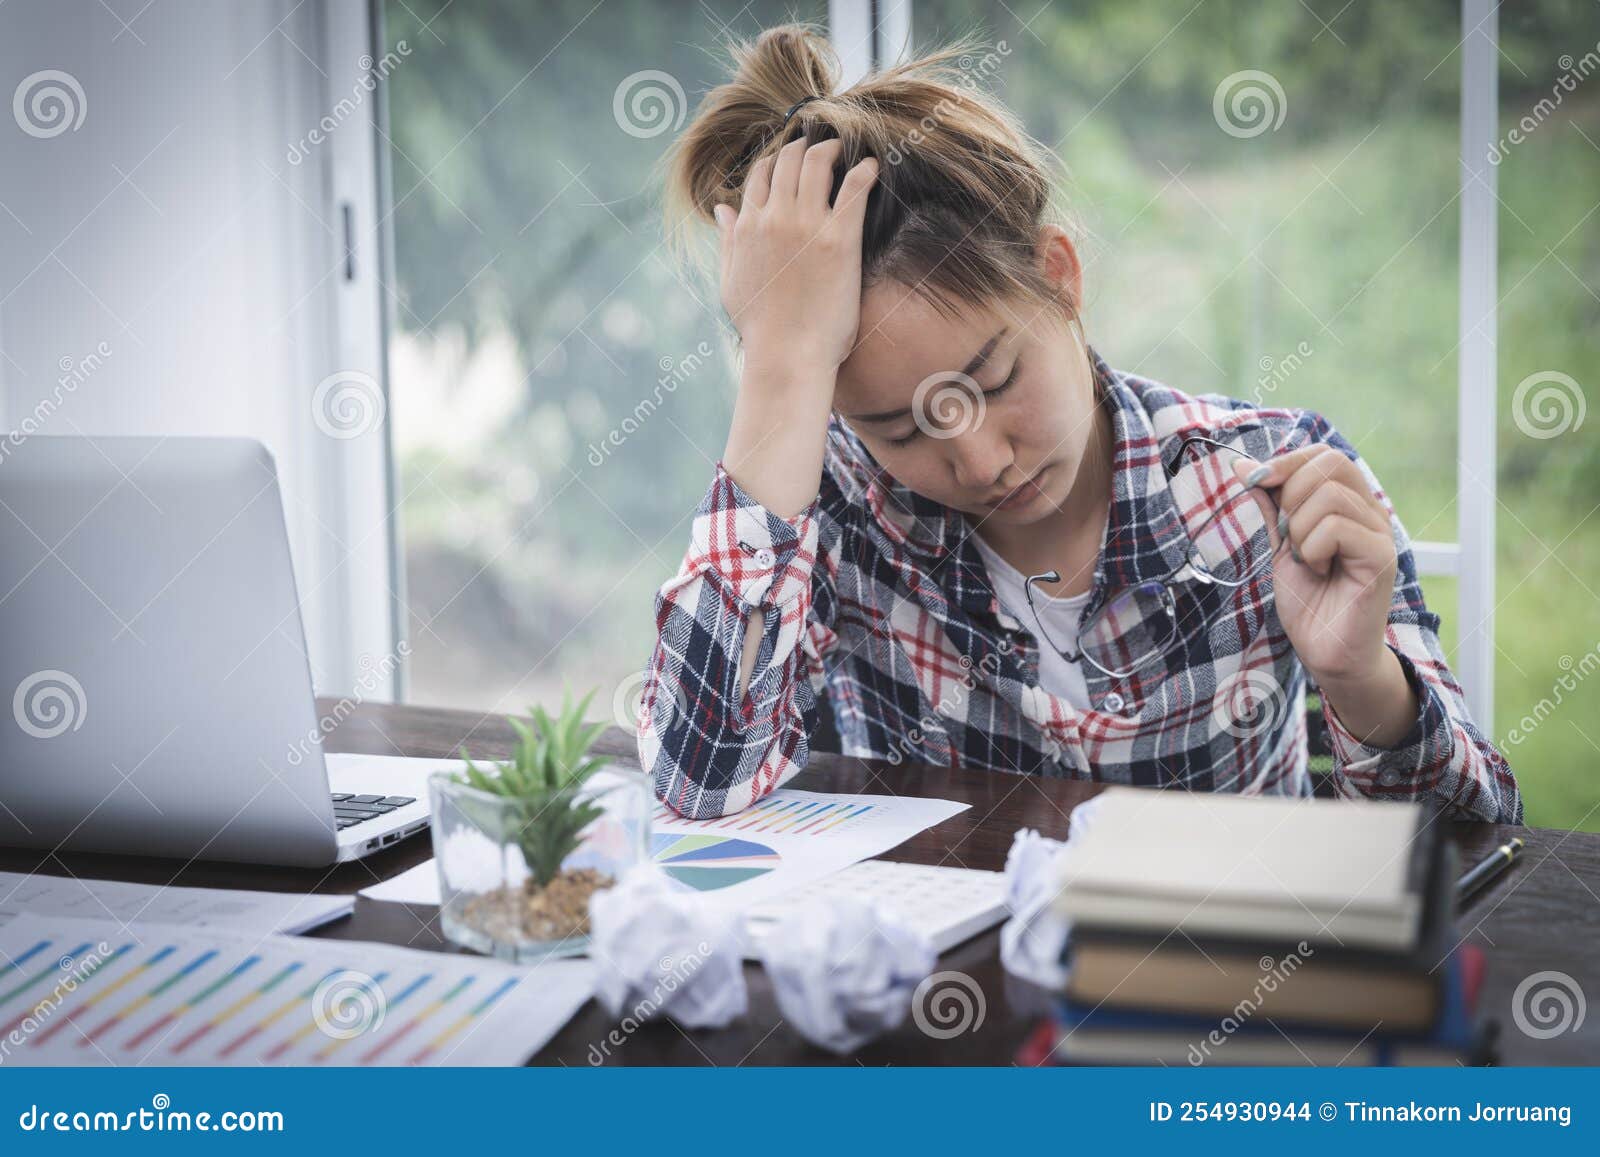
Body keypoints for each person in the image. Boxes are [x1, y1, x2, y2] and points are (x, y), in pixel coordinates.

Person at [636, 24, 1521, 825]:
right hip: (950, 997)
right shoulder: (827, 505)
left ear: (1060, 278)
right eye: (898, 432)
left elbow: (1475, 840)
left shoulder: (1269, 484)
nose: (980, 462)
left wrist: (1362, 681)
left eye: (996, 376)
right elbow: (698, 777)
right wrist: (781, 368)